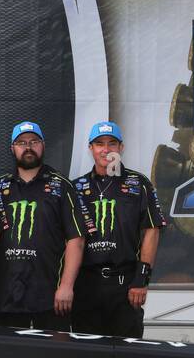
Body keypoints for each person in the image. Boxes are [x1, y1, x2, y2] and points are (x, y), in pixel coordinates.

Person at [72, 121, 168, 337]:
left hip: (125, 285)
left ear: (121, 147)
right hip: (86, 284)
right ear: (90, 148)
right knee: (87, 355)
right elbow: (69, 239)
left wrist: (141, 281)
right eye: (99, 144)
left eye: (112, 143)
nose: (106, 150)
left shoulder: (139, 183)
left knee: (128, 354)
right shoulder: (75, 188)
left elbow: (152, 230)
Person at [0, 121, 88, 331]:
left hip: (51, 296)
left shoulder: (62, 186)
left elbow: (76, 239)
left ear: (43, 145)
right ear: (12, 148)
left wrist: (66, 287)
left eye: (34, 141)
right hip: (8, 295)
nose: (28, 146)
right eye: (21, 142)